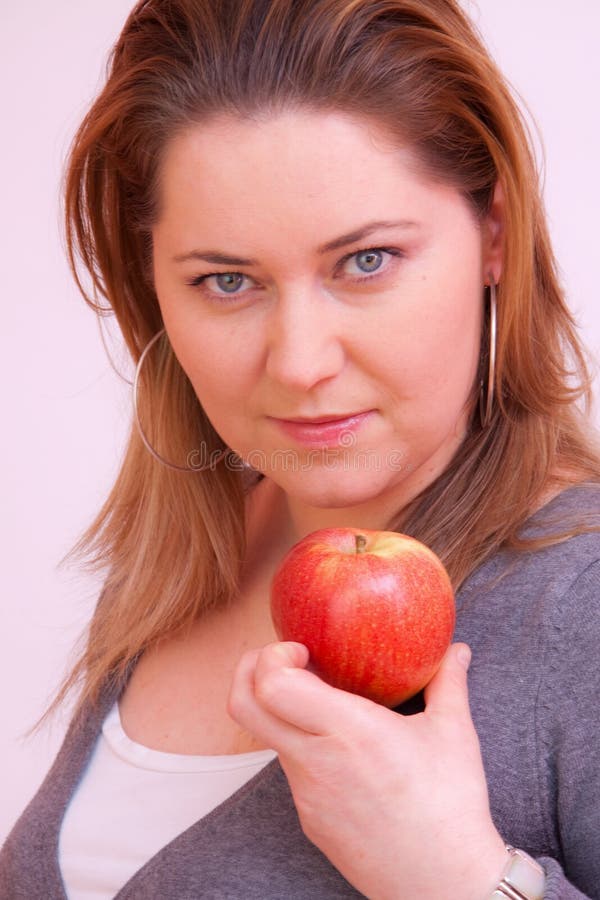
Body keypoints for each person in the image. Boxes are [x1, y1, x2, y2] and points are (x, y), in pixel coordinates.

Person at [1, 0, 599, 897]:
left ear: (495, 235)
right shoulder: (195, 554)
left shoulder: (580, 599)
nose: (300, 362)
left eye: (366, 262)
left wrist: (461, 879)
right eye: (227, 281)